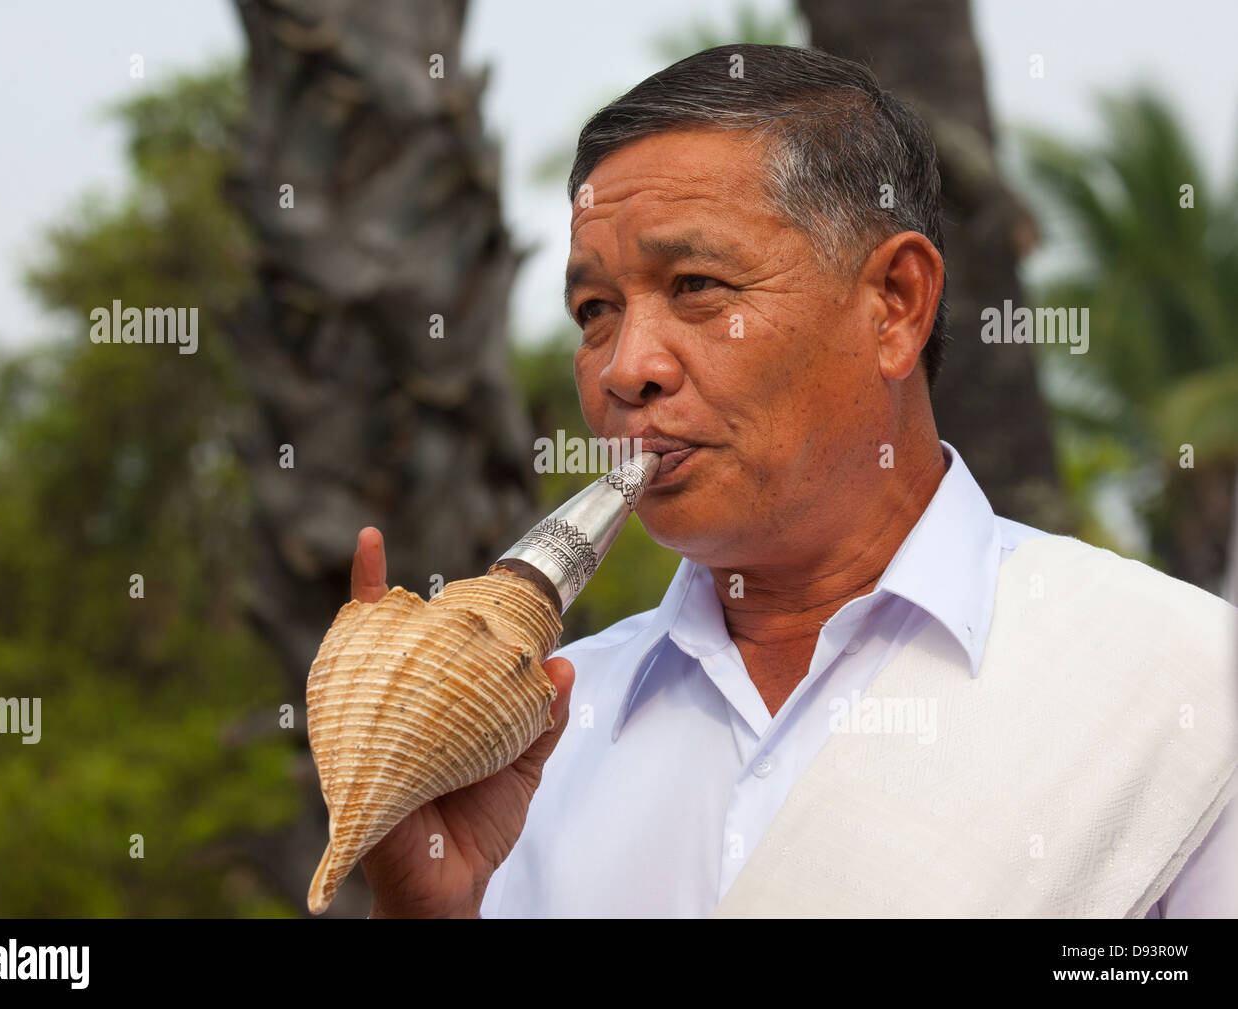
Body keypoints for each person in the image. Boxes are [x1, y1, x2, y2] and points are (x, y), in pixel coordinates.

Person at [349, 44, 1236, 917]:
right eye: (595, 312)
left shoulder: (1179, 683)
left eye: (697, 283)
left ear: (895, 303)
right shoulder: (534, 740)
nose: (626, 368)